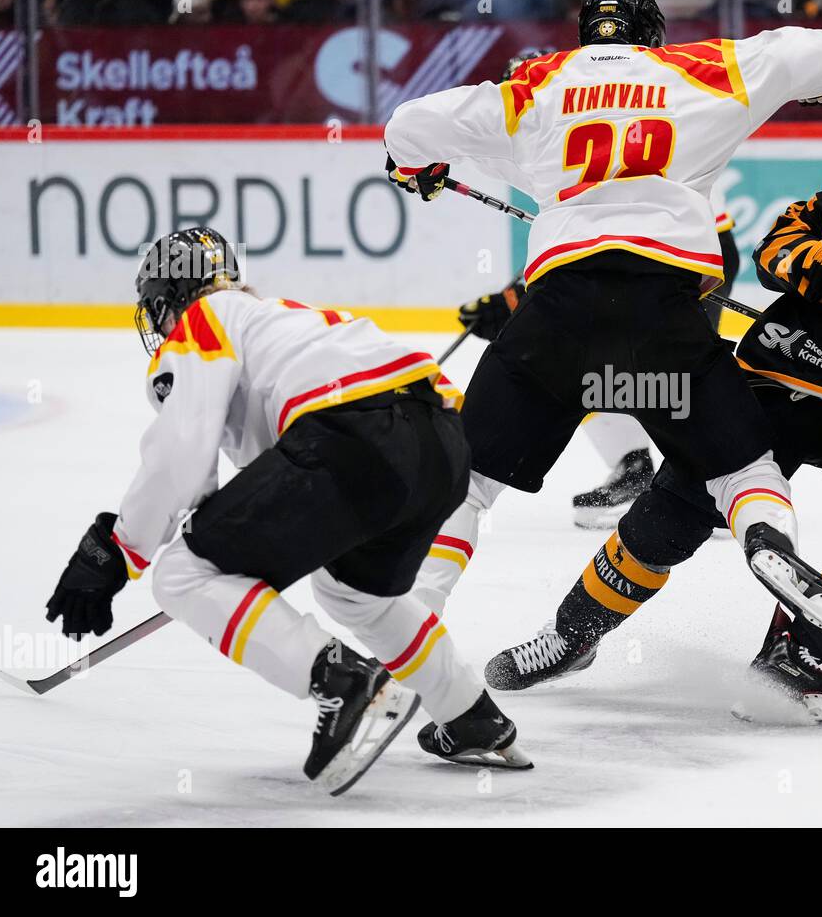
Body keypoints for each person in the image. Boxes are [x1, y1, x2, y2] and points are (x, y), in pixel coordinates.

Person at [486, 72, 822, 725]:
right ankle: (572, 635)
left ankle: (791, 652)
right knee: (675, 509)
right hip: (778, 377)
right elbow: (776, 251)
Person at [385, 0, 822, 636]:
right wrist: (815, 85)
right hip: (665, 306)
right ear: (655, 34)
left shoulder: (537, 86)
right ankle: (767, 541)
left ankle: (409, 628)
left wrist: (417, 164)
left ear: (583, 35)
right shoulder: (702, 69)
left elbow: (407, 127)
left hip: (558, 310)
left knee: (470, 478)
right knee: (745, 469)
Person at [43, 228, 531, 795]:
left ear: (166, 300)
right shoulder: (281, 317)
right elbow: (229, 482)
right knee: (355, 593)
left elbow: (183, 448)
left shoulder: (205, 319)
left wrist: (119, 550)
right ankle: (472, 717)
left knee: (182, 573)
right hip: (441, 447)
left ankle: (346, 682)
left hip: (353, 436)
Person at [452, 46, 745, 531]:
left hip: (681, 254)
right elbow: (579, 256)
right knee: (610, 365)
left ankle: (704, 477)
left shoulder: (562, 121)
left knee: (644, 370)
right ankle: (667, 472)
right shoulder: (571, 112)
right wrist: (511, 300)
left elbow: (592, 258)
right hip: (660, 252)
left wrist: (511, 303)